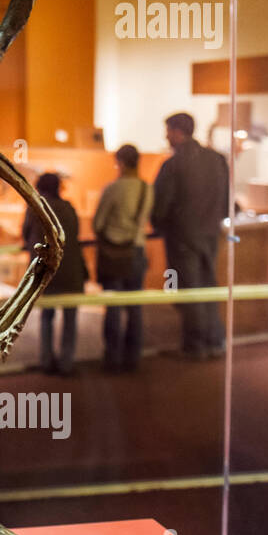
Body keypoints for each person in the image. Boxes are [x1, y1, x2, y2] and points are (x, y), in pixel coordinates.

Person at [150, 112, 230, 360]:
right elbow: (226, 199)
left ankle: (195, 345)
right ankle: (215, 341)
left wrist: (158, 225)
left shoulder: (173, 164)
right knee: (209, 285)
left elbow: (161, 204)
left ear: (177, 131)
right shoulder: (217, 159)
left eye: (168, 130)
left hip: (182, 236)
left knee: (190, 289)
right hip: (210, 233)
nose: (166, 136)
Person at [93, 145, 153, 372]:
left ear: (121, 163)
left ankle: (112, 358)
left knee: (114, 306)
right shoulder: (147, 189)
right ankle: (133, 357)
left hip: (113, 255)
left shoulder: (113, 189)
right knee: (135, 306)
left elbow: (98, 223)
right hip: (137, 251)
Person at [23, 173, 87, 375]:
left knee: (46, 316)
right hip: (72, 271)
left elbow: (26, 234)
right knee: (70, 319)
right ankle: (67, 363)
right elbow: (75, 233)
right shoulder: (69, 207)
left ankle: (46, 361)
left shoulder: (35, 208)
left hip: (47, 271)